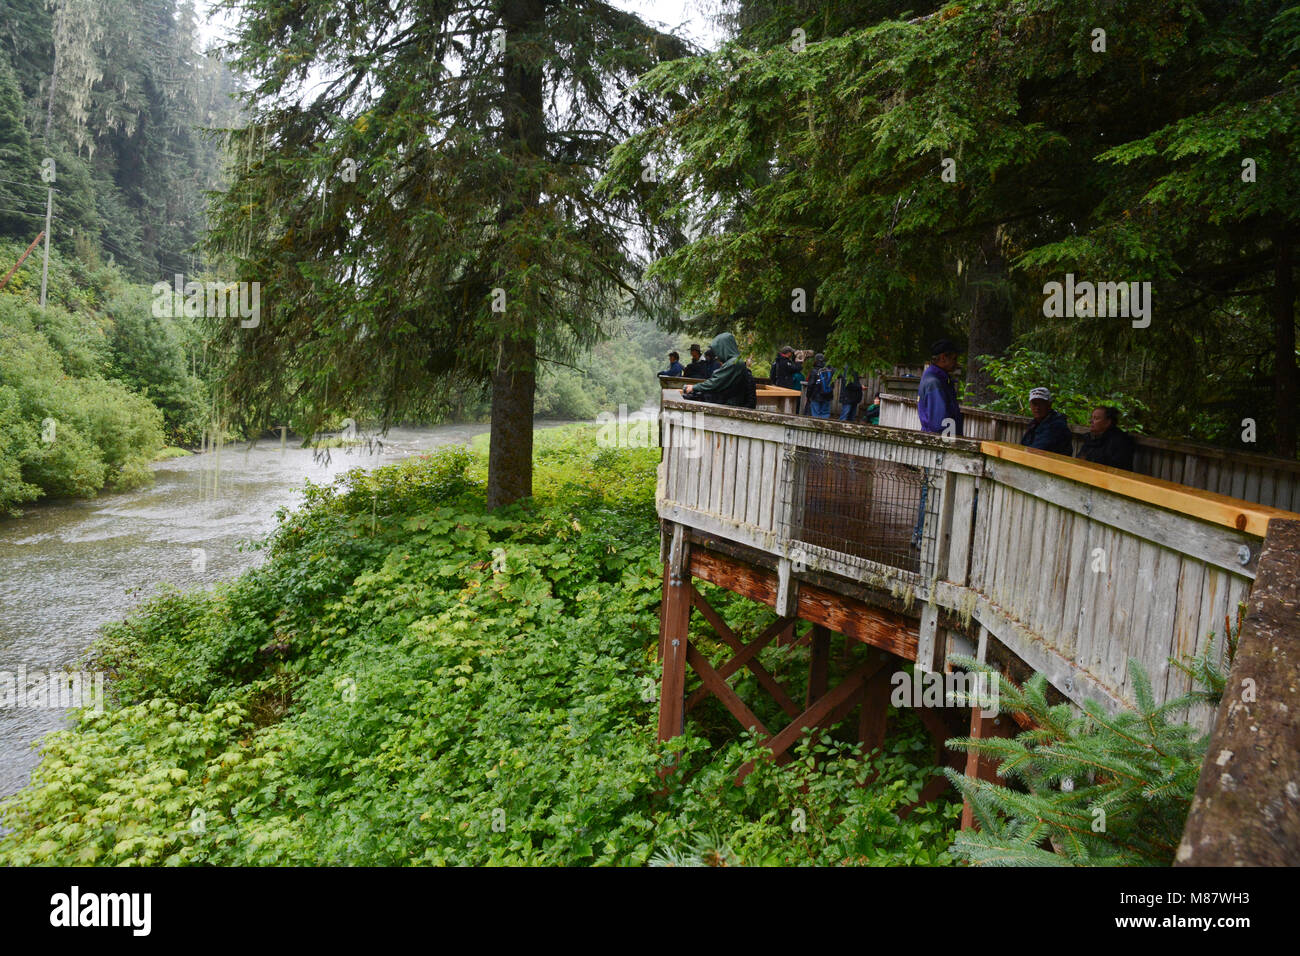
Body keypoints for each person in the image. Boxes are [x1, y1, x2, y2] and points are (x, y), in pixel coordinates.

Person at [681, 332, 757, 408]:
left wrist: (693, 387)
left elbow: (715, 382)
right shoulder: (736, 362)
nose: (717, 355)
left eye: (718, 351)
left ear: (723, 348)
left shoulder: (734, 363)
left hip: (732, 408)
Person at [918, 339, 963, 436]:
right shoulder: (934, 383)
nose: (956, 363)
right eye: (954, 359)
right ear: (943, 357)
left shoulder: (937, 378)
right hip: (941, 444)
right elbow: (939, 424)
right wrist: (951, 444)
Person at [1077, 405, 1135, 470]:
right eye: (1092, 418)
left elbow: (1114, 468)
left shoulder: (1120, 442)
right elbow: (1080, 459)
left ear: (1107, 422)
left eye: (1096, 418)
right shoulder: (1090, 438)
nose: (1091, 421)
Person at [1020, 387, 1073, 455]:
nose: (1037, 408)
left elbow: (1037, 450)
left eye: (1041, 403)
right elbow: (1023, 446)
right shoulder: (1034, 424)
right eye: (1034, 404)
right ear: (1030, 405)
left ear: (1049, 405)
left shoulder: (1057, 425)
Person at [805, 353, 835, 418]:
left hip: (816, 396)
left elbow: (810, 385)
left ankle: (816, 427)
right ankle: (823, 427)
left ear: (815, 360)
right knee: (825, 413)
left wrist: (808, 396)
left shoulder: (814, 371)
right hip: (828, 395)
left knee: (816, 414)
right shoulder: (830, 370)